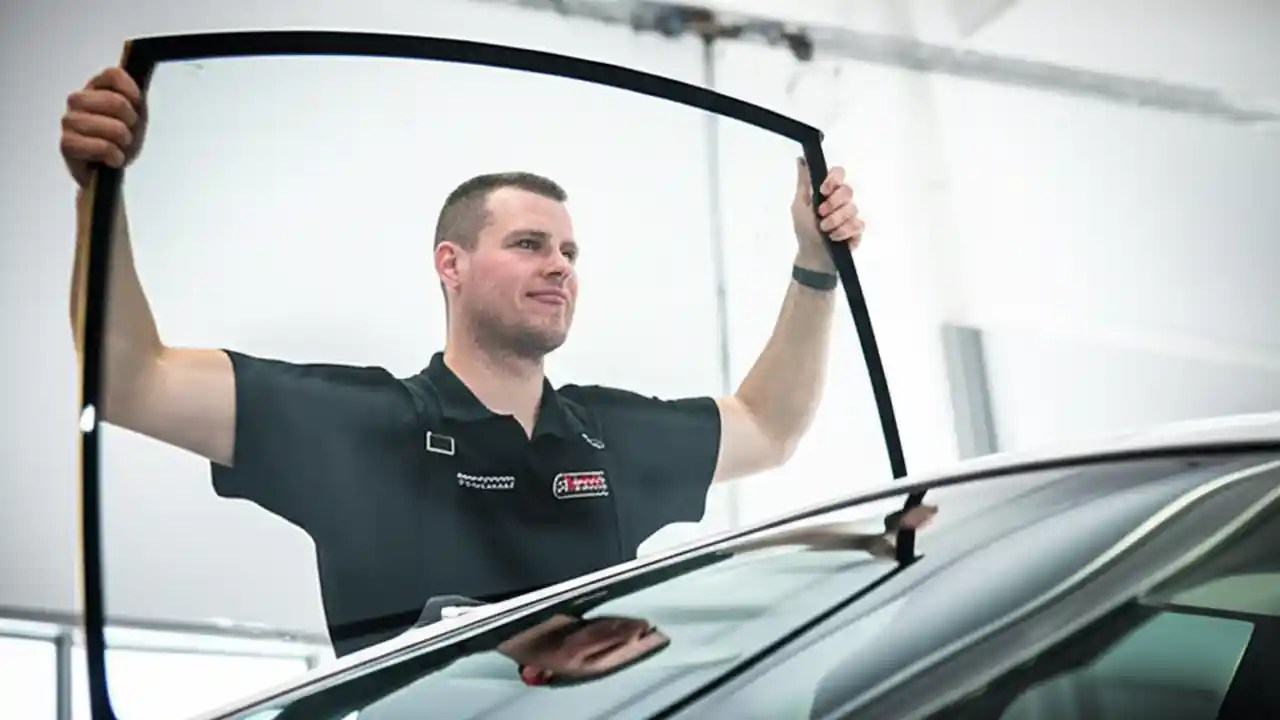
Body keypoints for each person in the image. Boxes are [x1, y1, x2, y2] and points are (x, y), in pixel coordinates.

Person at [61, 65, 868, 657]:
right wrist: (101, 187)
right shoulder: (360, 426)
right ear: (450, 264)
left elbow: (771, 426)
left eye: (569, 251)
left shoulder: (607, 437)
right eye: (528, 245)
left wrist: (815, 265)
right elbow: (131, 381)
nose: (560, 265)